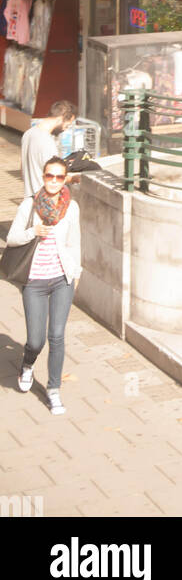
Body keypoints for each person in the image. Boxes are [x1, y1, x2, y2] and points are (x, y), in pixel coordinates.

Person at [6, 155, 81, 415]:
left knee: (57, 336)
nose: (53, 181)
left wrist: (76, 274)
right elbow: (13, 238)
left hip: (62, 279)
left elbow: (75, 243)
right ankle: (27, 365)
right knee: (36, 340)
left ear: (64, 180)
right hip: (35, 282)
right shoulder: (29, 205)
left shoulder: (71, 208)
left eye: (59, 177)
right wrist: (32, 232)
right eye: (50, 175)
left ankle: (53, 390)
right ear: (43, 176)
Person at [20, 100, 77, 199]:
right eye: (67, 125)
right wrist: (73, 178)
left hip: (29, 197)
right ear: (61, 119)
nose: (65, 129)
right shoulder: (47, 142)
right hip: (44, 201)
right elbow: (55, 175)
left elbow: (22, 169)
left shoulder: (28, 133)